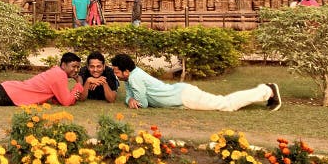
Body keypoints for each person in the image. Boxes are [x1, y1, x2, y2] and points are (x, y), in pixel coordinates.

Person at [110, 54, 281, 112]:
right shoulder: (132, 77)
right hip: (181, 93)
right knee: (223, 102)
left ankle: (268, 91)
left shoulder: (135, 78)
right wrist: (129, 99)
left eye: (117, 71)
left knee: (226, 104)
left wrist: (132, 101)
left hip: (184, 96)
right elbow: (131, 96)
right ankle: (265, 90)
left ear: (126, 71)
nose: (116, 75)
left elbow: (142, 103)